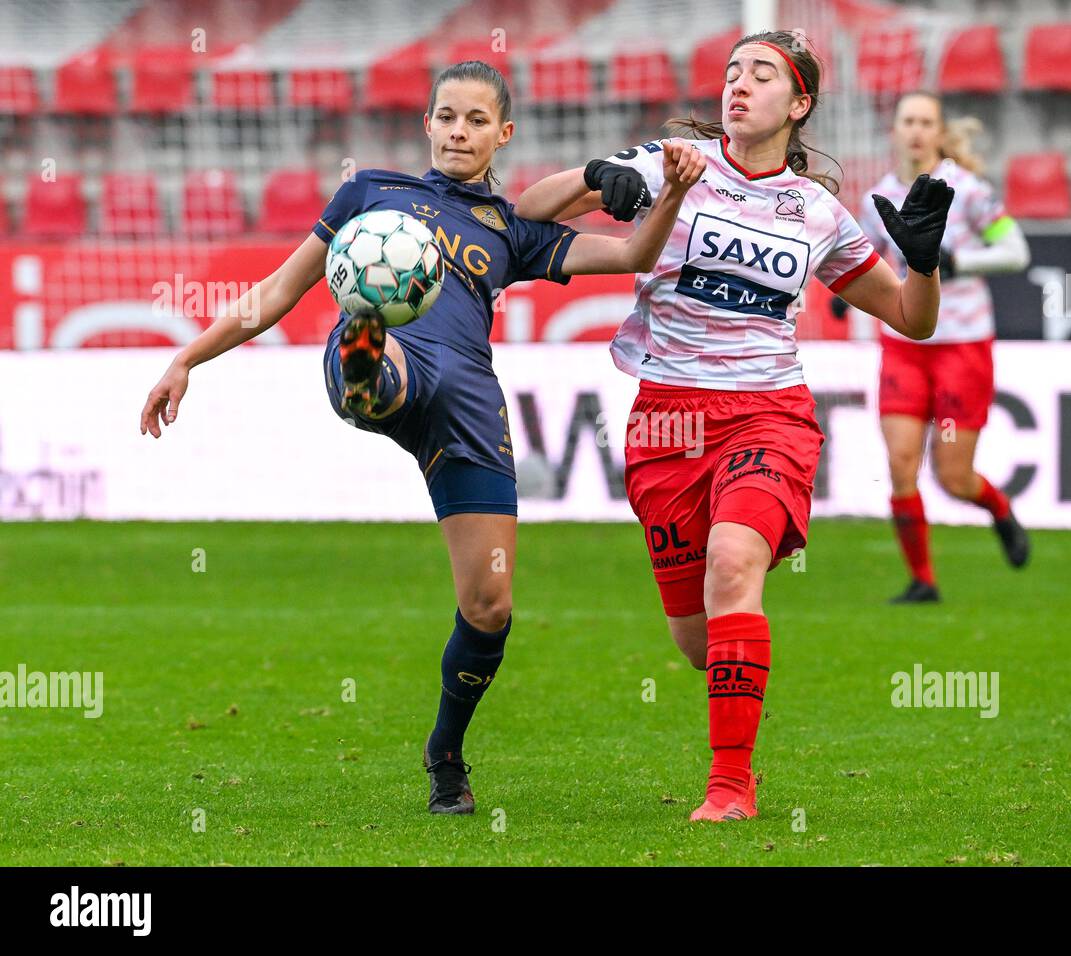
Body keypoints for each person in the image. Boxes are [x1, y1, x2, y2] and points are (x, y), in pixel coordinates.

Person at [139, 60, 705, 816]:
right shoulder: (370, 193)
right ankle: (366, 356)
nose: (458, 131)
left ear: (502, 134)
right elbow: (277, 291)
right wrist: (187, 358)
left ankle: (445, 754)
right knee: (378, 356)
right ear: (428, 124)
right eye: (446, 116)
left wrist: (667, 194)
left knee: (491, 603)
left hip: (467, 403)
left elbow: (633, 255)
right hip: (387, 362)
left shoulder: (512, 231)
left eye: (476, 120)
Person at [516, 32, 951, 821]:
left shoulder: (817, 211)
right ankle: (732, 684)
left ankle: (731, 787)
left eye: (761, 74)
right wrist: (593, 177)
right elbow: (528, 213)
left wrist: (923, 263)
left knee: (732, 563)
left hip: (768, 414)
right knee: (696, 641)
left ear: (800, 103)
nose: (738, 86)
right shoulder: (674, 162)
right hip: (666, 425)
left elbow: (910, 319)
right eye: (730, 72)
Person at [842, 91, 1031, 604]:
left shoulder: (968, 190)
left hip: (962, 345)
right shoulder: (877, 198)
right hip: (904, 344)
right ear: (896, 131)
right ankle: (923, 580)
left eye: (927, 121)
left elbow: (1017, 251)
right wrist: (844, 298)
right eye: (908, 120)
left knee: (953, 477)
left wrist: (958, 260)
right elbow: (870, 258)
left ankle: (997, 508)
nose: (917, 130)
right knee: (902, 463)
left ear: (939, 131)